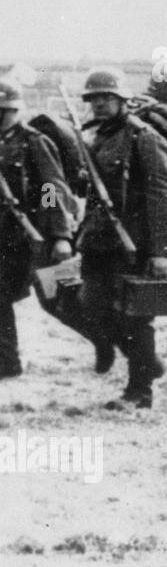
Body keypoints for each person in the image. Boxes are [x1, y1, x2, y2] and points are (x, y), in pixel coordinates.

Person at [74, 68, 167, 408]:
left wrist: (162, 250)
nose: (100, 105)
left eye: (106, 98)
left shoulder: (142, 137)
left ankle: (139, 392)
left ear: (122, 99)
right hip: (99, 241)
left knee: (134, 317)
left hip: (133, 242)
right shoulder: (97, 137)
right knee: (91, 308)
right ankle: (148, 364)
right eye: (94, 99)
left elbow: (162, 194)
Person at [0, 79, 76, 378]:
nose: (0, 116)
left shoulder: (33, 142)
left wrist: (59, 235)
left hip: (26, 235)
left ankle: (105, 340)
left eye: (6, 111)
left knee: (58, 301)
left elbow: (50, 188)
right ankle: (7, 364)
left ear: (17, 111)